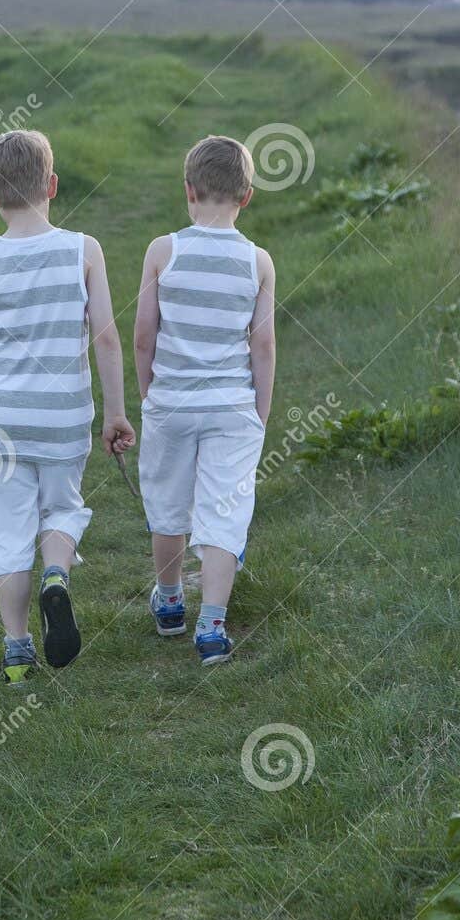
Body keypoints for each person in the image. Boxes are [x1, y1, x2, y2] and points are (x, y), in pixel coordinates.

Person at [0, 129, 135, 684]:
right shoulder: (85, 250)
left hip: (2, 417)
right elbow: (105, 337)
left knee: (6, 531)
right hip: (64, 414)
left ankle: (16, 649)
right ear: (52, 185)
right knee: (60, 509)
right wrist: (116, 413)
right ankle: (57, 575)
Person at [133, 135, 275, 665]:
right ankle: (211, 626)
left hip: (171, 400)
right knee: (225, 509)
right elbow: (262, 343)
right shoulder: (258, 262)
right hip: (232, 407)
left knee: (168, 504)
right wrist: (259, 410)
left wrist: (150, 391)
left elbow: (144, 334)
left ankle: (170, 602)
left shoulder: (162, 250)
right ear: (248, 196)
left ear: (189, 191)